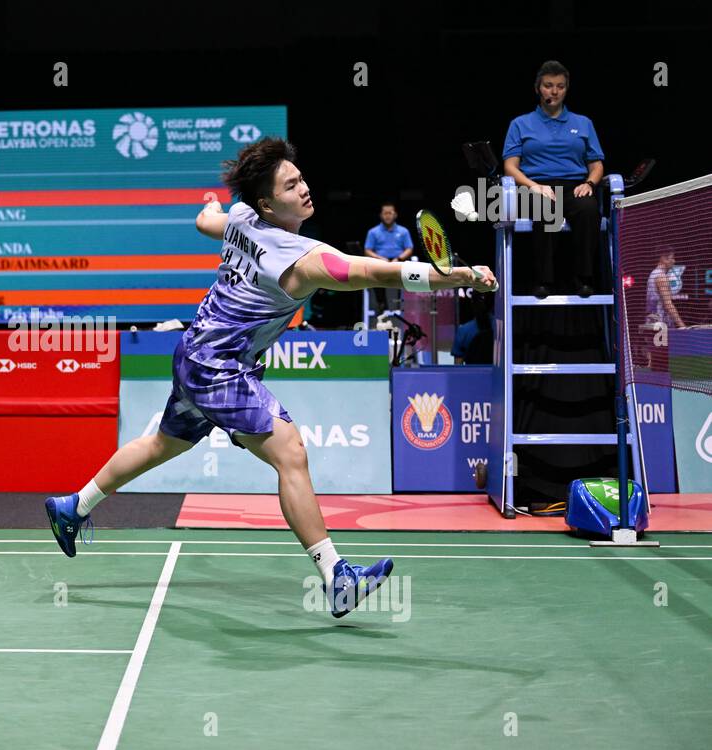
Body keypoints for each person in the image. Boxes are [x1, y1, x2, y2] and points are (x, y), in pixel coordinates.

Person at [44, 138, 498, 617]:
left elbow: (207, 222)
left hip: (194, 351)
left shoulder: (241, 219)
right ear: (267, 202)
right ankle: (336, 576)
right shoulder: (302, 259)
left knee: (163, 444)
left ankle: (73, 506)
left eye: (300, 178)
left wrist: (210, 206)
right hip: (219, 365)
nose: (304, 188)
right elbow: (380, 273)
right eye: (290, 185)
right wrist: (460, 277)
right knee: (291, 453)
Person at [502, 60, 606, 298]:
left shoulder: (583, 123)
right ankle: (543, 280)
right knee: (545, 208)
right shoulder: (520, 123)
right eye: (549, 85)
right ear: (538, 88)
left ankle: (583, 279)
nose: (554, 91)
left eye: (560, 86)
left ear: (566, 89)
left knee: (588, 208)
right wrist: (535, 186)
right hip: (535, 185)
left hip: (574, 186)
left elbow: (596, 164)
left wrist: (589, 183)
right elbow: (510, 167)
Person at [363, 202, 413, 314]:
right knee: (373, 276)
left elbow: (409, 248)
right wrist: (380, 258)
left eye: (390, 213)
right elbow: (368, 250)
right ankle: (381, 305)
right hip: (380, 263)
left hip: (399, 262)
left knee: (408, 277)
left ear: (395, 215)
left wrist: (399, 259)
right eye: (385, 213)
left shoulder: (403, 231)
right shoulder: (373, 232)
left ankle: (402, 305)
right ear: (381, 215)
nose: (387, 216)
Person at [452, 290, 495, 365]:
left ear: (472, 303)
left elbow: (458, 366)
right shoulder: (503, 328)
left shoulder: (463, 330)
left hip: (471, 376)